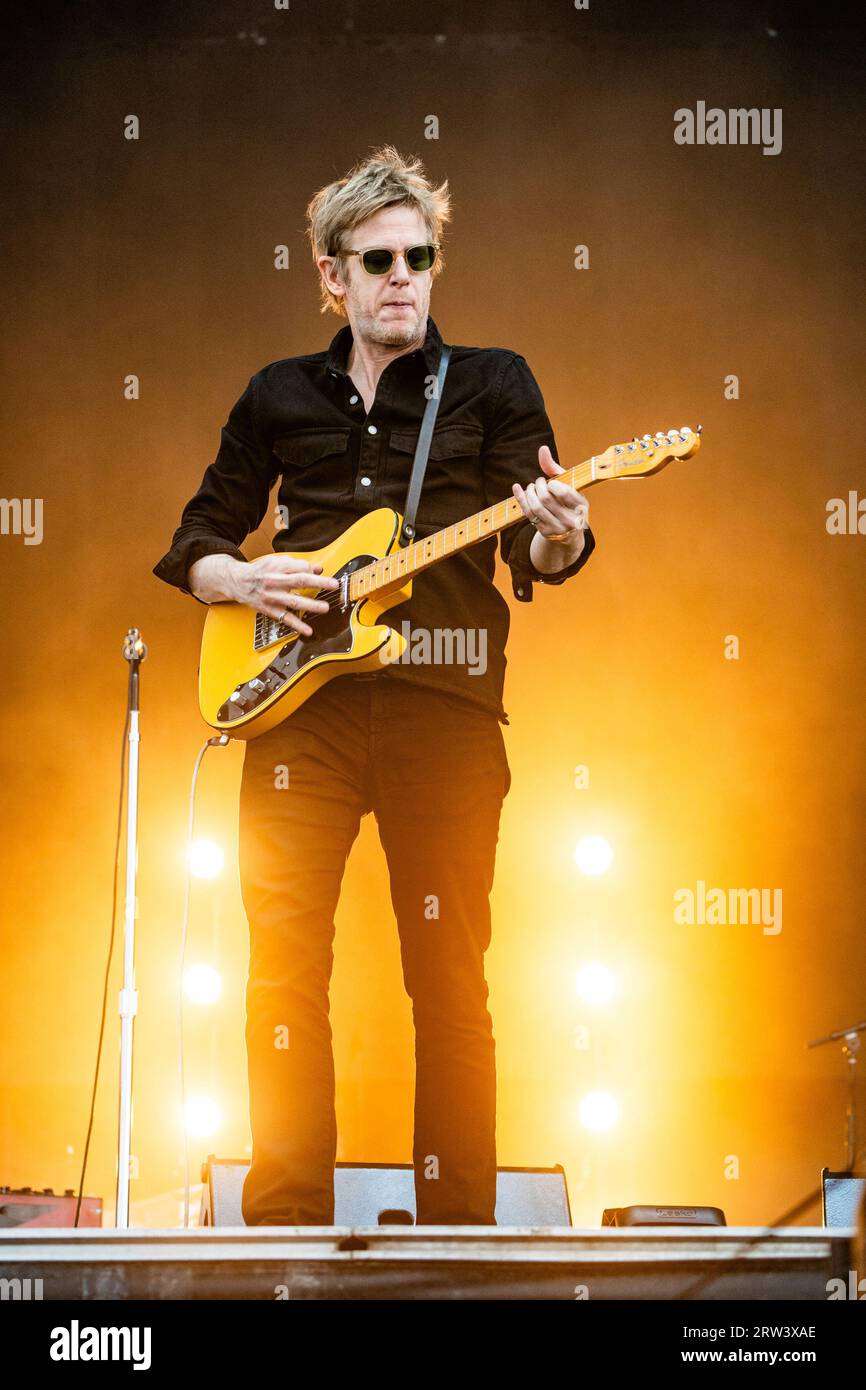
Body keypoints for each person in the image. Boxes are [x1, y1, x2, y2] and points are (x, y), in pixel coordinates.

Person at [153, 145, 596, 1226]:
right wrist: (241, 571)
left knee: (447, 979)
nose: (402, 275)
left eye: (419, 256)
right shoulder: (276, 394)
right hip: (296, 711)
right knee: (282, 972)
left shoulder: (492, 381)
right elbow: (196, 539)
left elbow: (542, 560)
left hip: (444, 711)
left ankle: (456, 1233)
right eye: (378, 258)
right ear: (331, 276)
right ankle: (285, 1223)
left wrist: (559, 533)